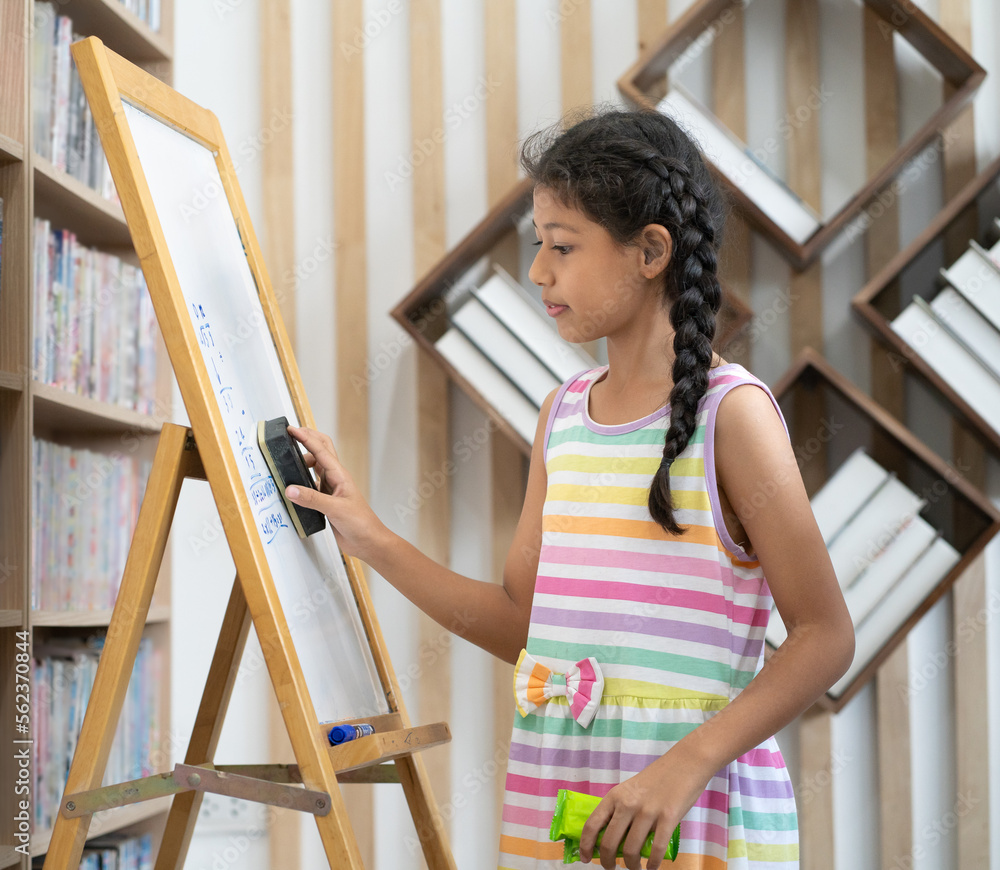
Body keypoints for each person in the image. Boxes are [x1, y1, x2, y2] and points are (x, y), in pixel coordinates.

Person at [286, 108, 854, 870]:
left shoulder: (734, 416)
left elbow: (824, 634)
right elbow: (526, 625)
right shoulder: (563, 417)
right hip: (565, 801)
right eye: (537, 245)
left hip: (695, 815)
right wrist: (372, 537)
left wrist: (684, 764)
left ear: (651, 251)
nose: (537, 271)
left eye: (561, 246)